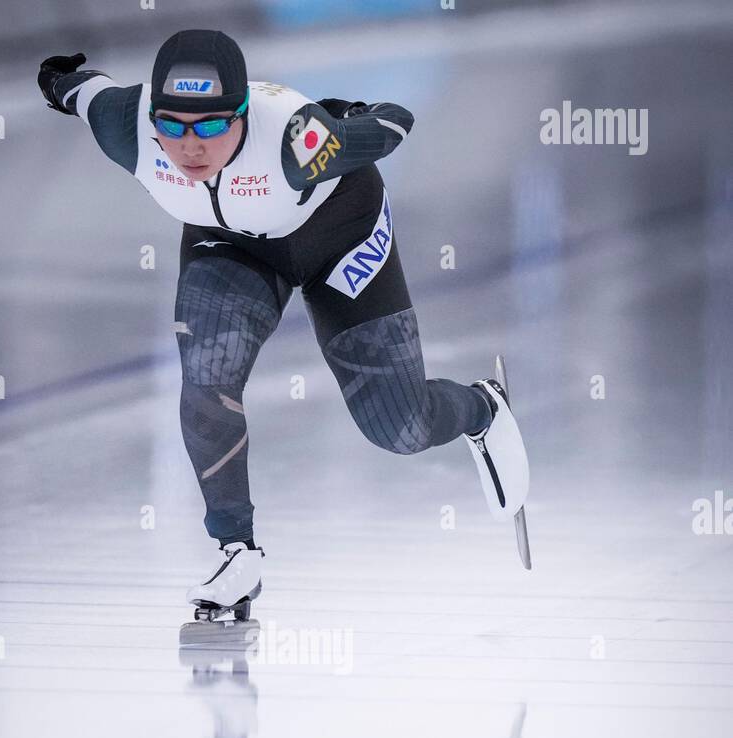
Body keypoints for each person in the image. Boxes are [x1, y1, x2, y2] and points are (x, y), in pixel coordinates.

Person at [38, 29, 530, 621]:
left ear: (244, 115)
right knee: (206, 375)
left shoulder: (297, 142)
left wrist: (353, 120)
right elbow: (80, 89)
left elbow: (395, 125)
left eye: (212, 125)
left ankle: (482, 408)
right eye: (172, 125)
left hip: (339, 234)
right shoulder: (125, 125)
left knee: (399, 429)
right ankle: (236, 550)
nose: (189, 147)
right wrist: (59, 79)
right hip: (231, 246)